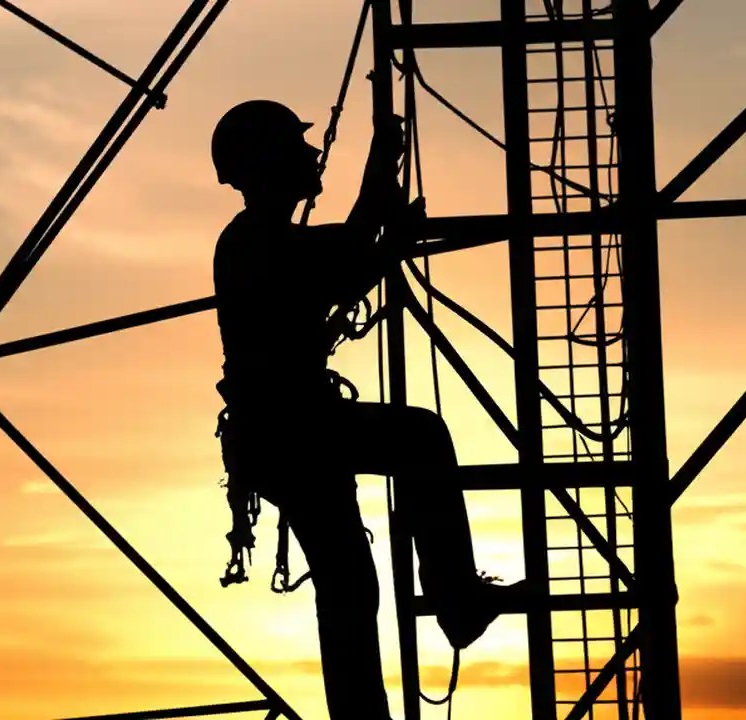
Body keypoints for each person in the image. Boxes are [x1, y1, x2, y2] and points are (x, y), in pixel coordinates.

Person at [210, 99, 527, 719]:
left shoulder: (262, 240)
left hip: (287, 433)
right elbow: (347, 254)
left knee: (349, 582)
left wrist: (381, 219)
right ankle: (456, 603)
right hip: (291, 432)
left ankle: (368, 709)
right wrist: (383, 161)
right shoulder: (254, 243)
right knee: (419, 440)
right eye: (297, 147)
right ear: (269, 162)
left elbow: (345, 257)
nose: (312, 153)